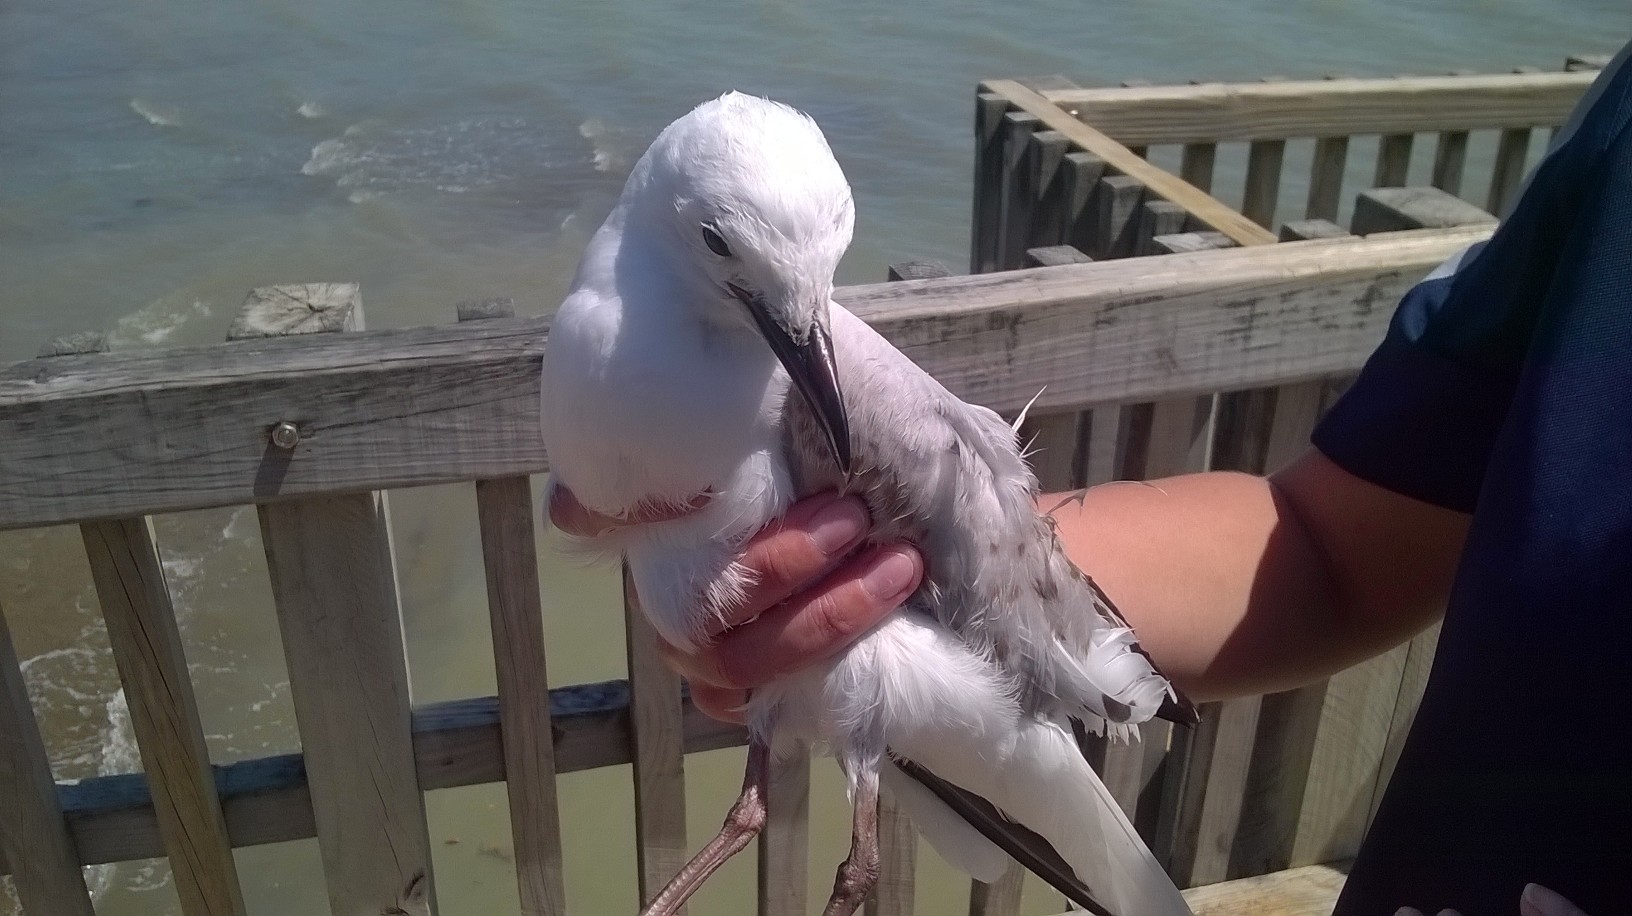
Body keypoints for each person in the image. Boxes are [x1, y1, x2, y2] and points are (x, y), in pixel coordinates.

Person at [550, 40, 1632, 916]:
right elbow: (1329, 544)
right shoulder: (1613, 153)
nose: (810, 338)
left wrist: (918, 578)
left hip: (962, 686)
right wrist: (858, 586)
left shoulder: (804, 360)